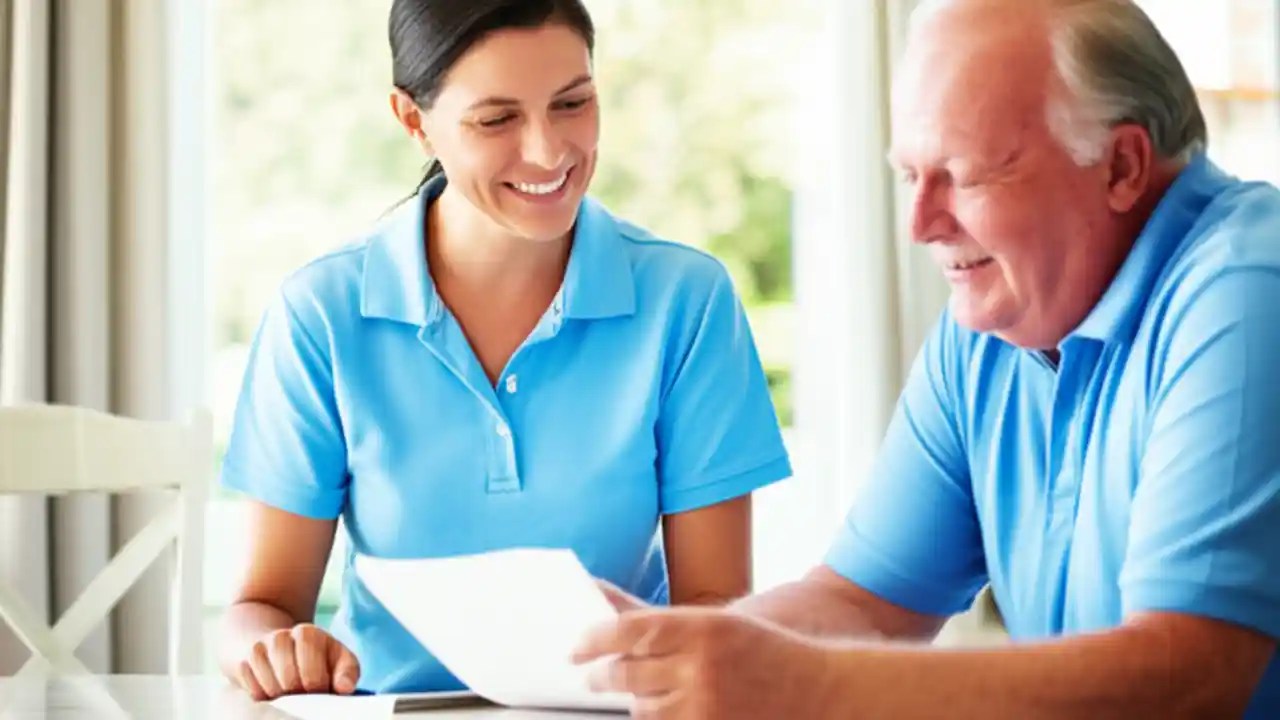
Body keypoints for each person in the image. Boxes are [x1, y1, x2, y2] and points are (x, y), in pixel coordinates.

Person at [573, 0, 1280, 717]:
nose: (919, 224)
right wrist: (660, 650)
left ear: (1121, 165)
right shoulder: (993, 324)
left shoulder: (1249, 290)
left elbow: (1191, 674)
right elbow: (862, 603)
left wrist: (806, 687)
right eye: (910, 175)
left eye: (965, 176)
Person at [216, 0, 792, 700]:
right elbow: (262, 609)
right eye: (496, 119)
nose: (550, 152)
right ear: (412, 120)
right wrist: (276, 652)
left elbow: (717, 609)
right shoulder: (322, 315)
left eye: (573, 103)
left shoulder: (686, 301)